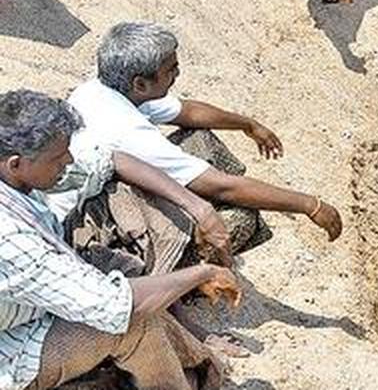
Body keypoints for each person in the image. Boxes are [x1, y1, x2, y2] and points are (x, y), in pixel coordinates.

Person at [0, 89, 240, 390]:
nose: (69, 159)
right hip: (11, 353)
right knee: (131, 322)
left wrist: (199, 207)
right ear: (15, 164)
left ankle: (191, 361)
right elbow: (114, 306)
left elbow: (107, 161)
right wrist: (202, 273)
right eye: (58, 157)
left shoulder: (20, 178)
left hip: (30, 308)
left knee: (123, 272)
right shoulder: (10, 237)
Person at [64, 22, 344, 251]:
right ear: (140, 83)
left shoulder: (100, 89)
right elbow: (222, 187)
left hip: (103, 184)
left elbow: (187, 112)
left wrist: (248, 125)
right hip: (88, 221)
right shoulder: (128, 132)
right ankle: (184, 276)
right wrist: (309, 205)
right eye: (170, 70)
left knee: (199, 138)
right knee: (241, 218)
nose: (177, 73)